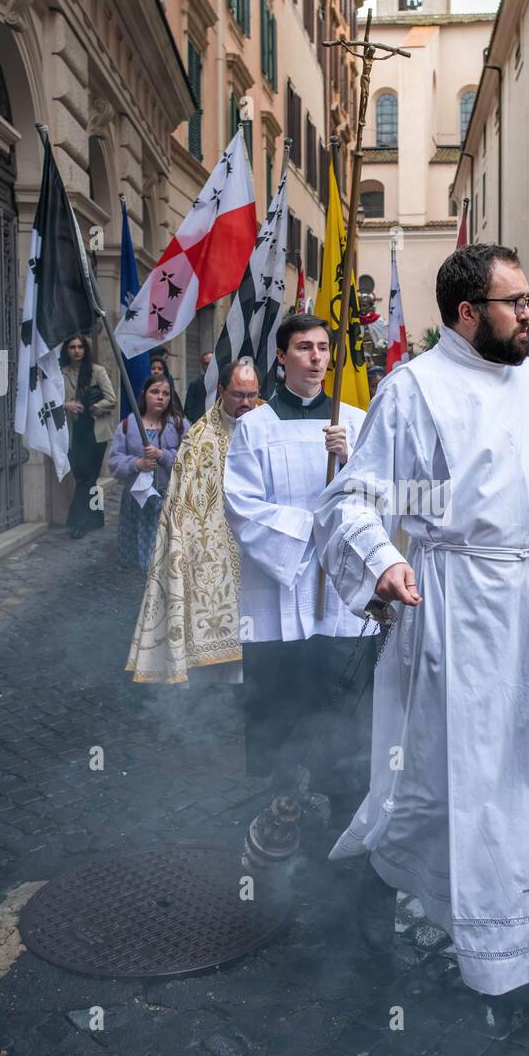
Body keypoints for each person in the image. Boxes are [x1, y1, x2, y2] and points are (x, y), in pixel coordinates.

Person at [313, 244, 529, 1026]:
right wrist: (381, 565)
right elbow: (351, 502)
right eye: (515, 302)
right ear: (468, 313)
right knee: (442, 784)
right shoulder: (416, 390)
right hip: (450, 611)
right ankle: (374, 894)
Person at [224, 315, 374, 796]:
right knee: (283, 701)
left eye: (324, 348)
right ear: (281, 357)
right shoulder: (253, 427)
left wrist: (351, 462)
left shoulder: (355, 422)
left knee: (340, 702)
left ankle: (341, 792)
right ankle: (280, 798)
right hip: (277, 587)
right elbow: (242, 508)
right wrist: (314, 530)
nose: (316, 357)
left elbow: (382, 502)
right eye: (304, 347)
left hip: (341, 595)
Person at [126, 361, 264, 684]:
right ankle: (222, 684)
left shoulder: (267, 424)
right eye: (239, 395)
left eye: (253, 395)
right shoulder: (200, 437)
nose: (246, 404)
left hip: (260, 540)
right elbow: (184, 503)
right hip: (215, 542)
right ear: (221, 392)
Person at [108, 375, 189, 572]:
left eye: (165, 393)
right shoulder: (128, 425)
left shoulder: (180, 425)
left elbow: (191, 459)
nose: (160, 397)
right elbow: (113, 461)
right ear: (145, 395)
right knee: (140, 556)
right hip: (137, 499)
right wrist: (137, 463)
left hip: (168, 496)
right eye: (155, 392)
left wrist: (163, 455)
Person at [60, 334, 117, 539]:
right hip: (74, 433)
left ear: (85, 349)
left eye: (80, 347)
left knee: (87, 478)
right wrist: (67, 405)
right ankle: (97, 517)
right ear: (67, 350)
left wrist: (92, 407)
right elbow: (54, 400)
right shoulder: (62, 372)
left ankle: (79, 522)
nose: (76, 351)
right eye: (72, 347)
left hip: (95, 431)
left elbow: (111, 399)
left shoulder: (97, 371)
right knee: (83, 477)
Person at [149, 351, 184, 418]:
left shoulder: (171, 391)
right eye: (153, 368)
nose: (156, 371)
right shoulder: (142, 390)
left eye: (160, 369)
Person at [184, 351, 213, 426]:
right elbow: (188, 409)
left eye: (211, 363)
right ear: (202, 366)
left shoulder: (223, 383)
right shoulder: (194, 385)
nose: (209, 366)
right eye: (206, 364)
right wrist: (198, 422)